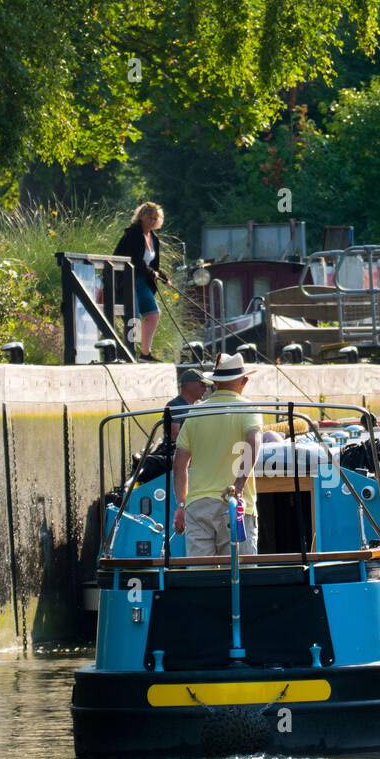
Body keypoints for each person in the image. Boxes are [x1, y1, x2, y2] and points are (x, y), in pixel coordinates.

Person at [173, 353, 261, 556]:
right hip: (234, 504)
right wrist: (238, 487)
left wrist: (181, 505)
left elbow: (180, 464)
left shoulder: (195, 413)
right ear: (244, 381)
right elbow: (253, 443)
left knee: (201, 577)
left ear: (214, 382)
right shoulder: (248, 409)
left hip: (198, 506)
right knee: (242, 574)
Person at [112, 201, 167, 361]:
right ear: (141, 217)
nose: (152, 221)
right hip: (126, 279)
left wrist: (163, 277)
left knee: (153, 314)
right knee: (133, 315)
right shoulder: (133, 234)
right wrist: (152, 272)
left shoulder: (154, 238)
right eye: (149, 217)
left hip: (142, 281)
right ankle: (130, 353)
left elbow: (153, 265)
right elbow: (135, 260)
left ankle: (145, 354)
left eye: (155, 218)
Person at [165, 368, 211, 444]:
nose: (205, 389)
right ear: (188, 385)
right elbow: (174, 436)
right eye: (202, 385)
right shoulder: (175, 406)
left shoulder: (199, 404)